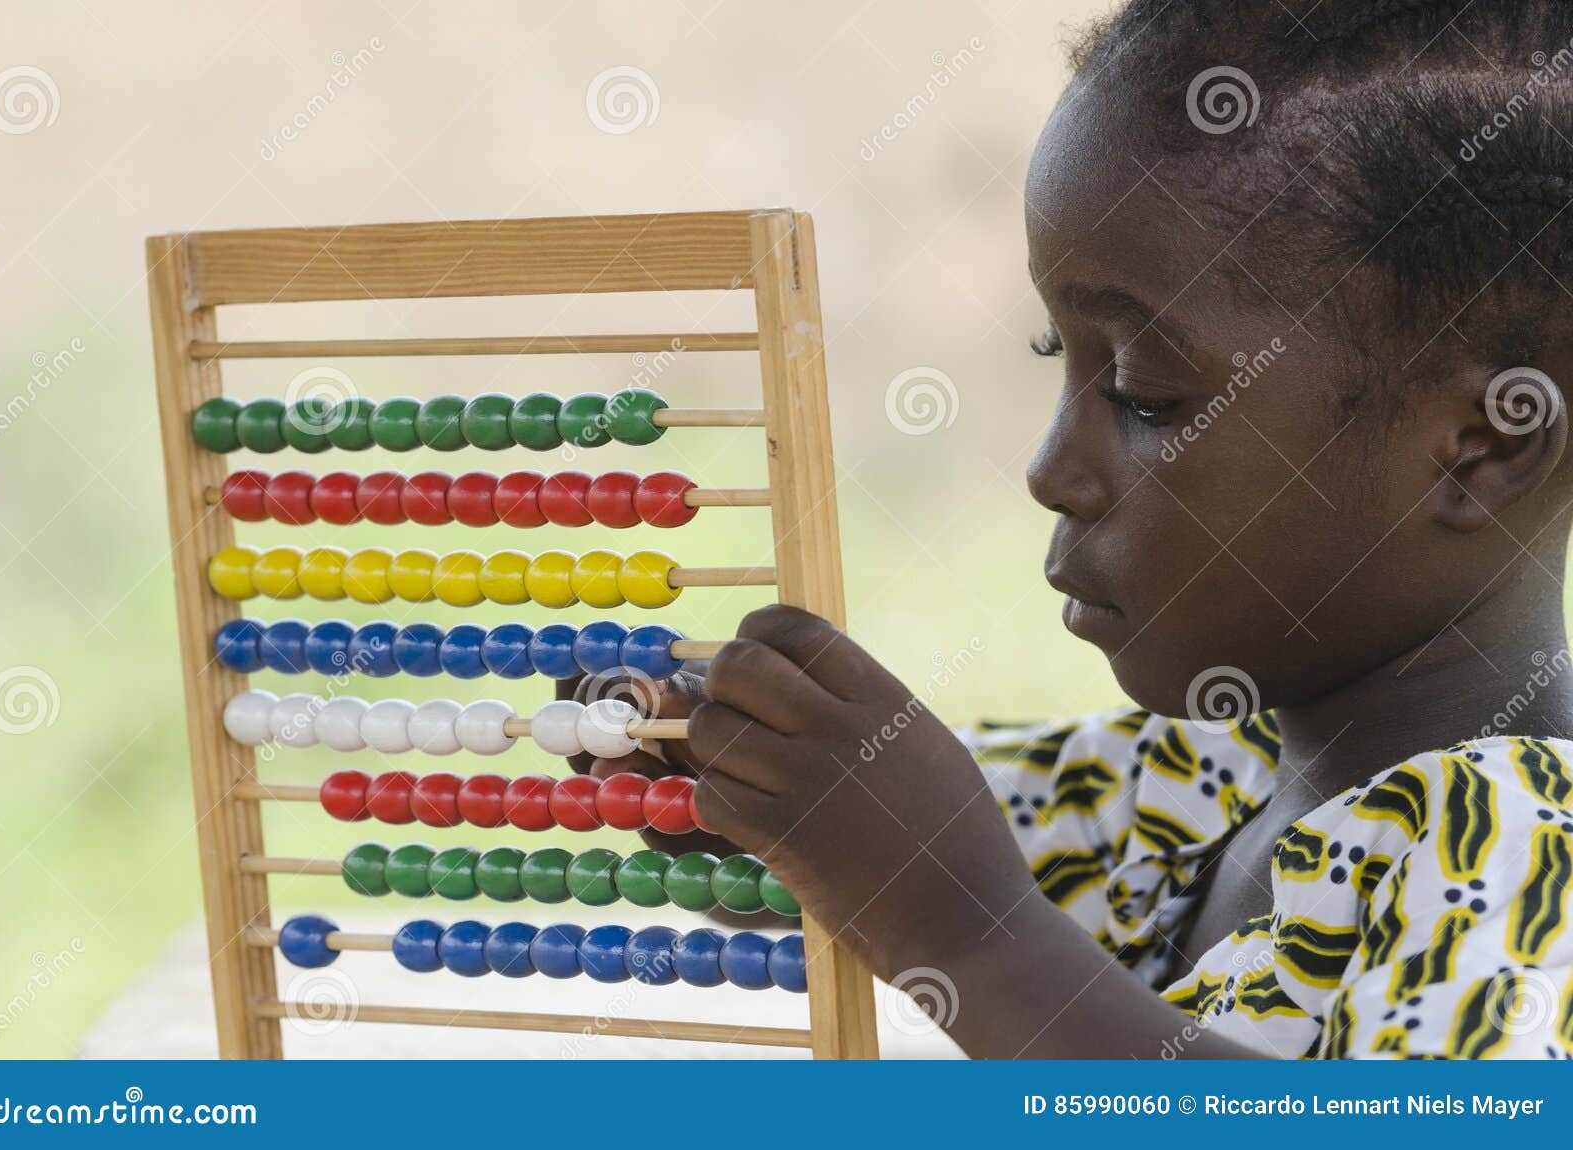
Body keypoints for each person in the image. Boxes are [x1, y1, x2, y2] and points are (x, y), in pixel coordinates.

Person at [569, 0, 1573, 1059]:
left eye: (1146, 396)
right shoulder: (1181, 787)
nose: (1051, 471)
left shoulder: (1526, 855)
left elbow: (951, 900)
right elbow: (871, 855)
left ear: (1481, 449)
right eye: (1063, 357)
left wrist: (969, 934)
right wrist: (717, 767)